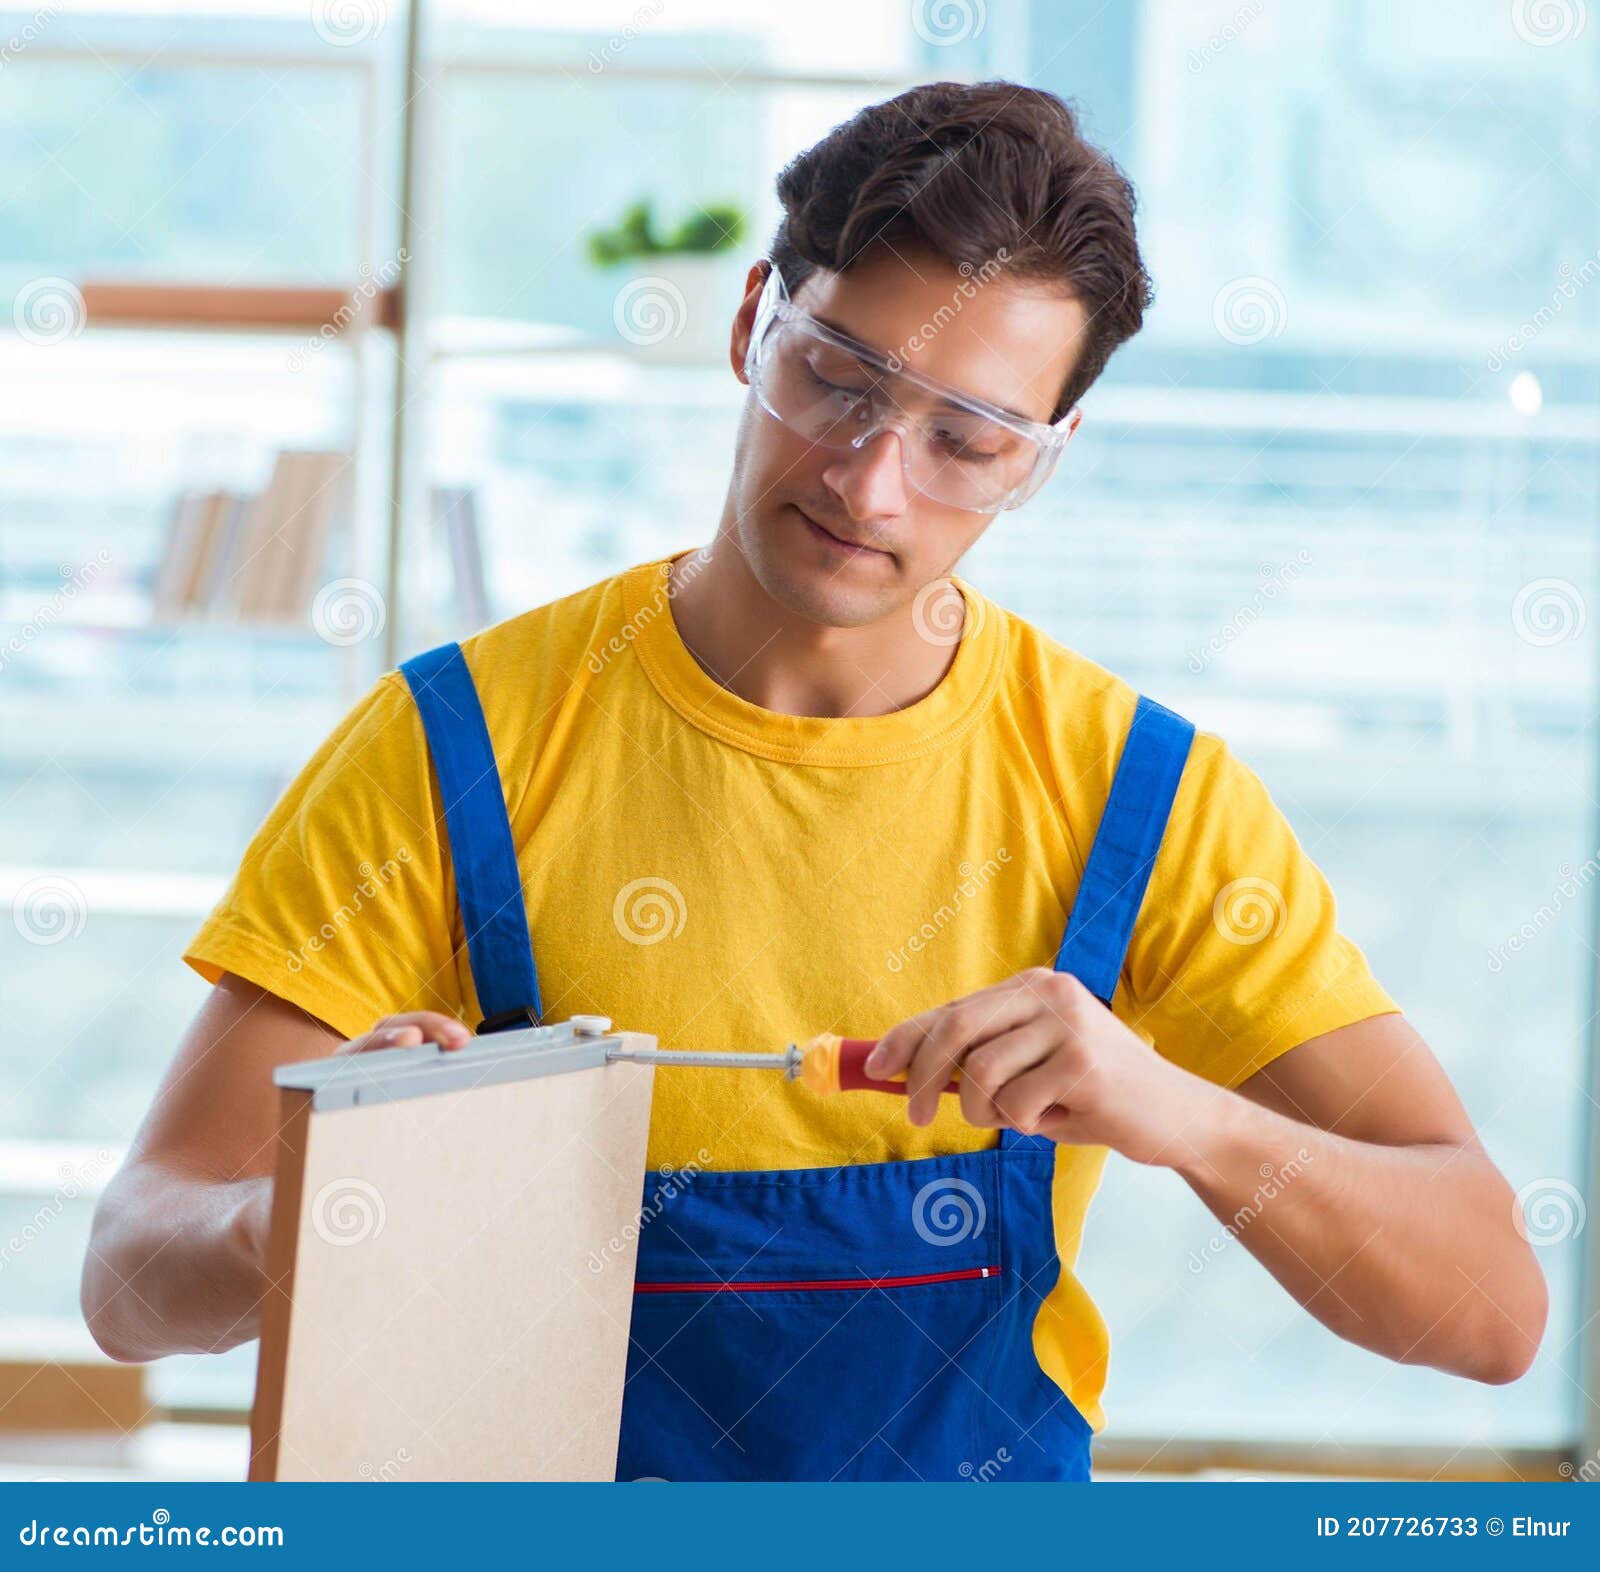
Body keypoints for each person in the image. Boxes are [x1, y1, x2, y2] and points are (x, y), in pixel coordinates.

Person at [82, 79, 1545, 1481]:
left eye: (965, 441)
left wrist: (1187, 1116)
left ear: (1044, 461)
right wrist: (312, 1214)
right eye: (835, 378)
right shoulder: (455, 746)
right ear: (749, 322)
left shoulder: (1136, 796)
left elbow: (1489, 1311)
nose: (868, 482)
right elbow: (130, 1280)